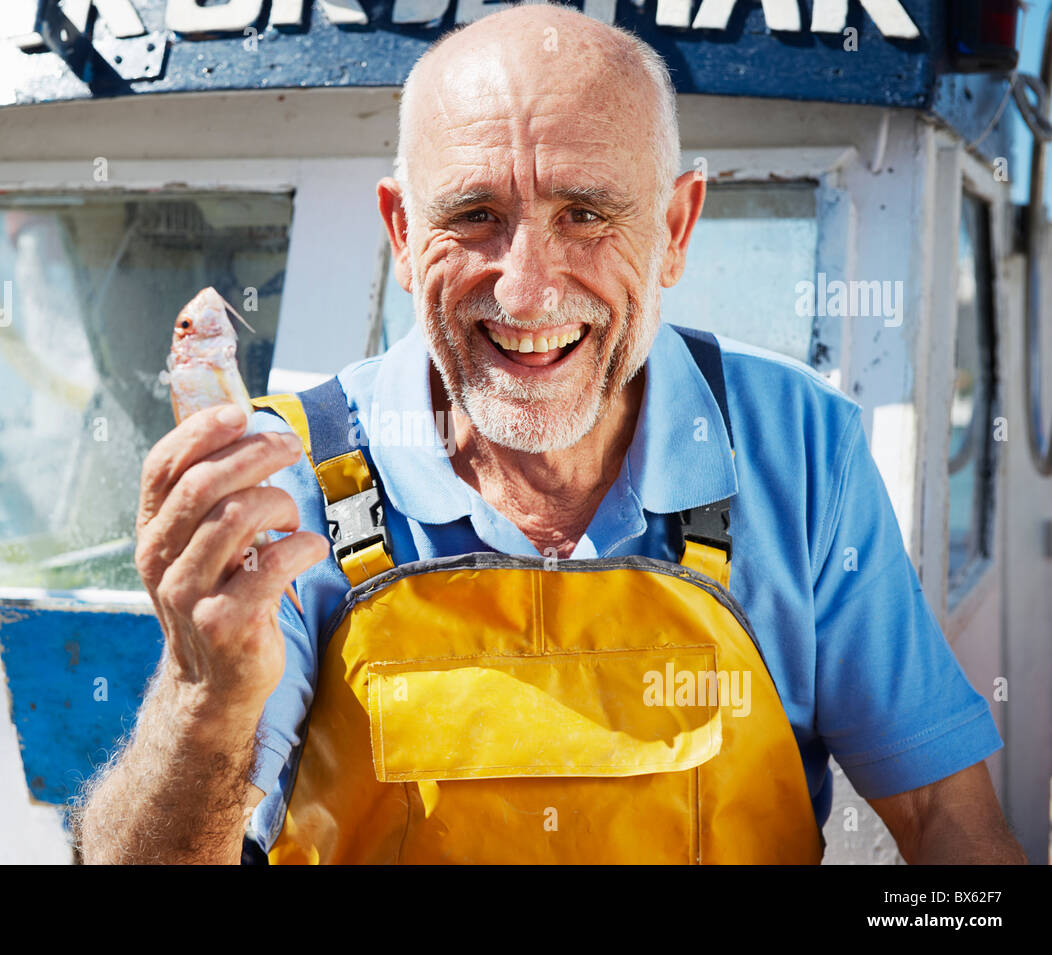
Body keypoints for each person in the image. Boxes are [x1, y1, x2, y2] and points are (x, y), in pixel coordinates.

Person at [74, 2, 1025, 864]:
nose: (526, 290)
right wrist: (207, 701)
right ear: (403, 235)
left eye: (586, 215)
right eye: (476, 216)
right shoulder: (282, 480)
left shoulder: (800, 448)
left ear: (677, 230)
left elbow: (946, 816)